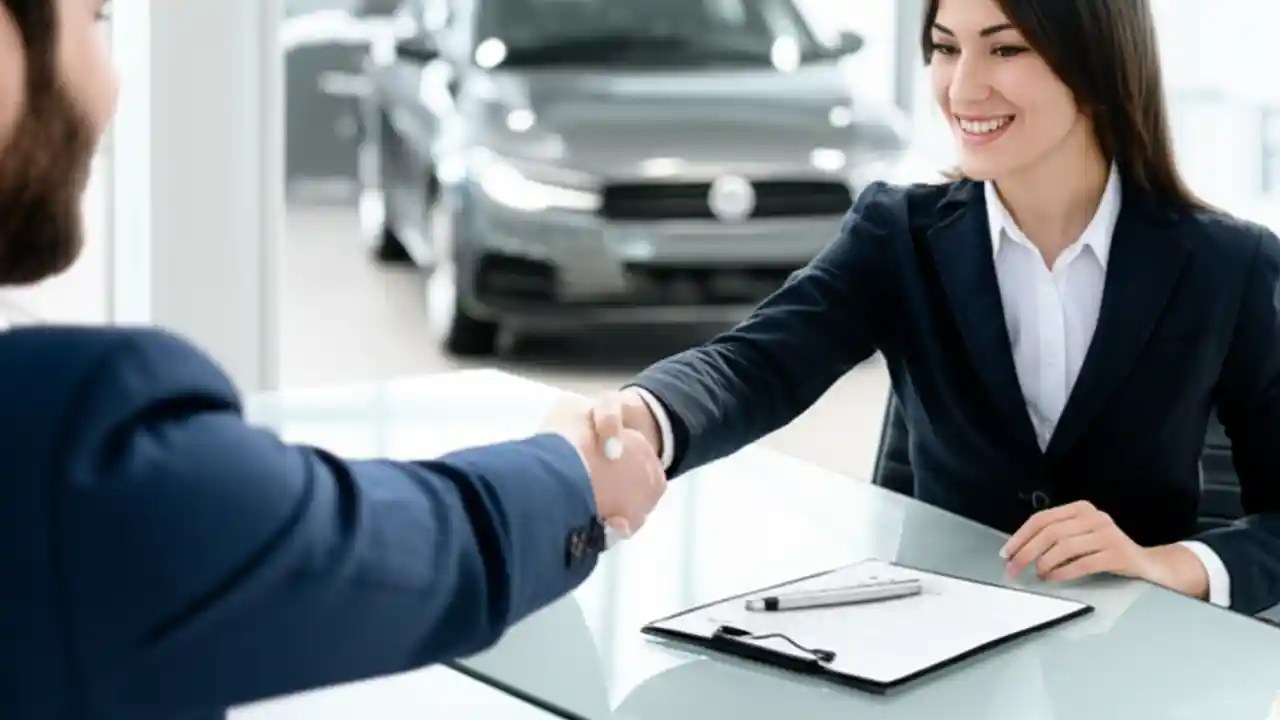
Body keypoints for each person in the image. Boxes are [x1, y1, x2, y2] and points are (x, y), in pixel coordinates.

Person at [0, 1, 665, 717]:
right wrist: (573, 472)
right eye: (97, 20)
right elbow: (402, 549)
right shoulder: (65, 440)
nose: (112, 87)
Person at [588, 0, 1280, 616]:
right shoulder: (896, 234)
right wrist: (640, 419)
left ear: (1096, 64)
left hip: (1139, 657)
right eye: (946, 48)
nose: (962, 87)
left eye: (1005, 48)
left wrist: (1165, 566)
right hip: (940, 644)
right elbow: (756, 364)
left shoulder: (1227, 263)